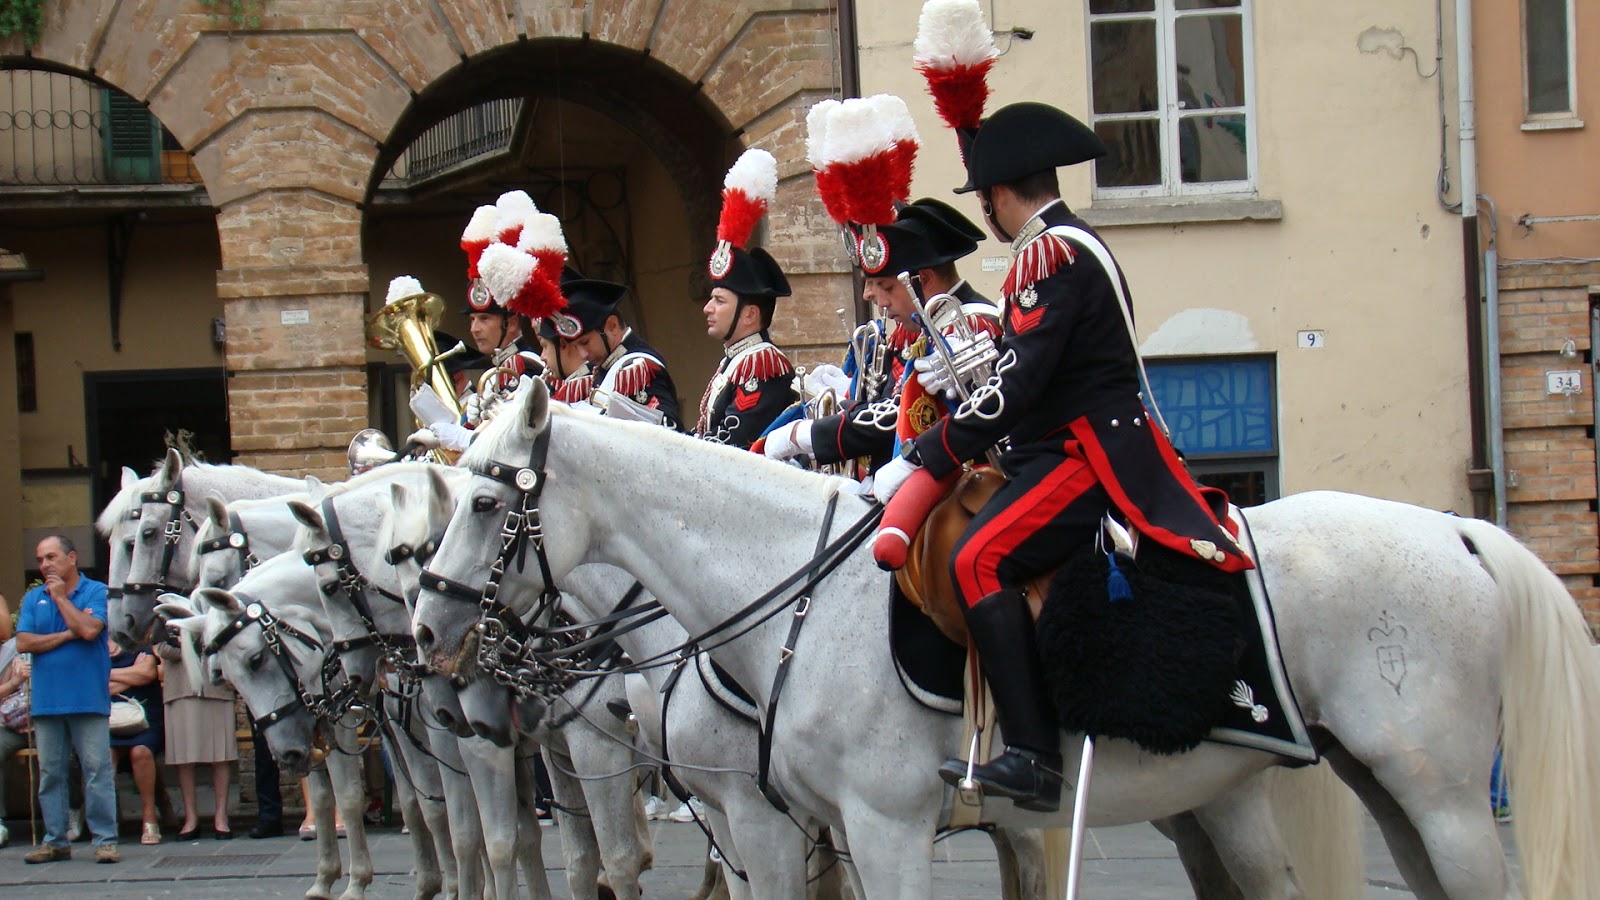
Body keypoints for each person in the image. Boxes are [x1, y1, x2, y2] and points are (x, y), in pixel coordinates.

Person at [875, 103, 1252, 812]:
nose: (985, 213)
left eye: (983, 199)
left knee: (976, 560)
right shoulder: (1068, 246)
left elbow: (1023, 385)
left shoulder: (1051, 254)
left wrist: (930, 455)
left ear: (997, 196)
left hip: (1087, 453)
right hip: (1063, 446)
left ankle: (1033, 755)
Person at [764, 197, 999, 473]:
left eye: (884, 285)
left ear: (922, 279)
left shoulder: (969, 325)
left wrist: (808, 435)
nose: (870, 296)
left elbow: (904, 415)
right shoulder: (929, 326)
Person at [16, 535, 120, 864]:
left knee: (96, 770)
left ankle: (105, 840)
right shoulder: (33, 598)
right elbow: (23, 642)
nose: (44, 565)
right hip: (47, 701)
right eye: (41, 559)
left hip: (88, 697)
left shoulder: (96, 592)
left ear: (72, 558)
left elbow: (90, 630)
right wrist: (66, 634)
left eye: (51, 557)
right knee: (51, 774)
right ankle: (56, 840)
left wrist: (61, 599)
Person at [694, 147, 798, 448]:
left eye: (719, 300)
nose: (707, 308)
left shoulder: (761, 363)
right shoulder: (736, 360)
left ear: (750, 314)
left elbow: (734, 440)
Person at [548, 278, 684, 430]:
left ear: (612, 326)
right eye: (575, 346)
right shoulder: (606, 368)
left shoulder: (638, 368)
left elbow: (668, 431)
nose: (582, 354)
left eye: (585, 342)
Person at [155, 623, 237, 841]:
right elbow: (162, 648)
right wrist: (192, 647)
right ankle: (191, 818)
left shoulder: (213, 601)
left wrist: (193, 647)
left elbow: (227, 642)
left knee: (221, 754)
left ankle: (221, 817)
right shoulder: (167, 606)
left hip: (215, 686)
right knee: (185, 758)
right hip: (181, 688)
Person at [108, 642, 164, 845]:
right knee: (104, 754)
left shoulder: (138, 644)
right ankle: (108, 818)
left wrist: (107, 674)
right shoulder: (92, 647)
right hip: (110, 721)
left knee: (140, 752)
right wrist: (132, 676)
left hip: (146, 720)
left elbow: (148, 674)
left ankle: (149, 816)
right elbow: (92, 684)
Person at [0, 637, 31, 849]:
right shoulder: (14, 649)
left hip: (55, 719)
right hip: (16, 723)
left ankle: (73, 808)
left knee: (70, 751)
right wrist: (15, 680)